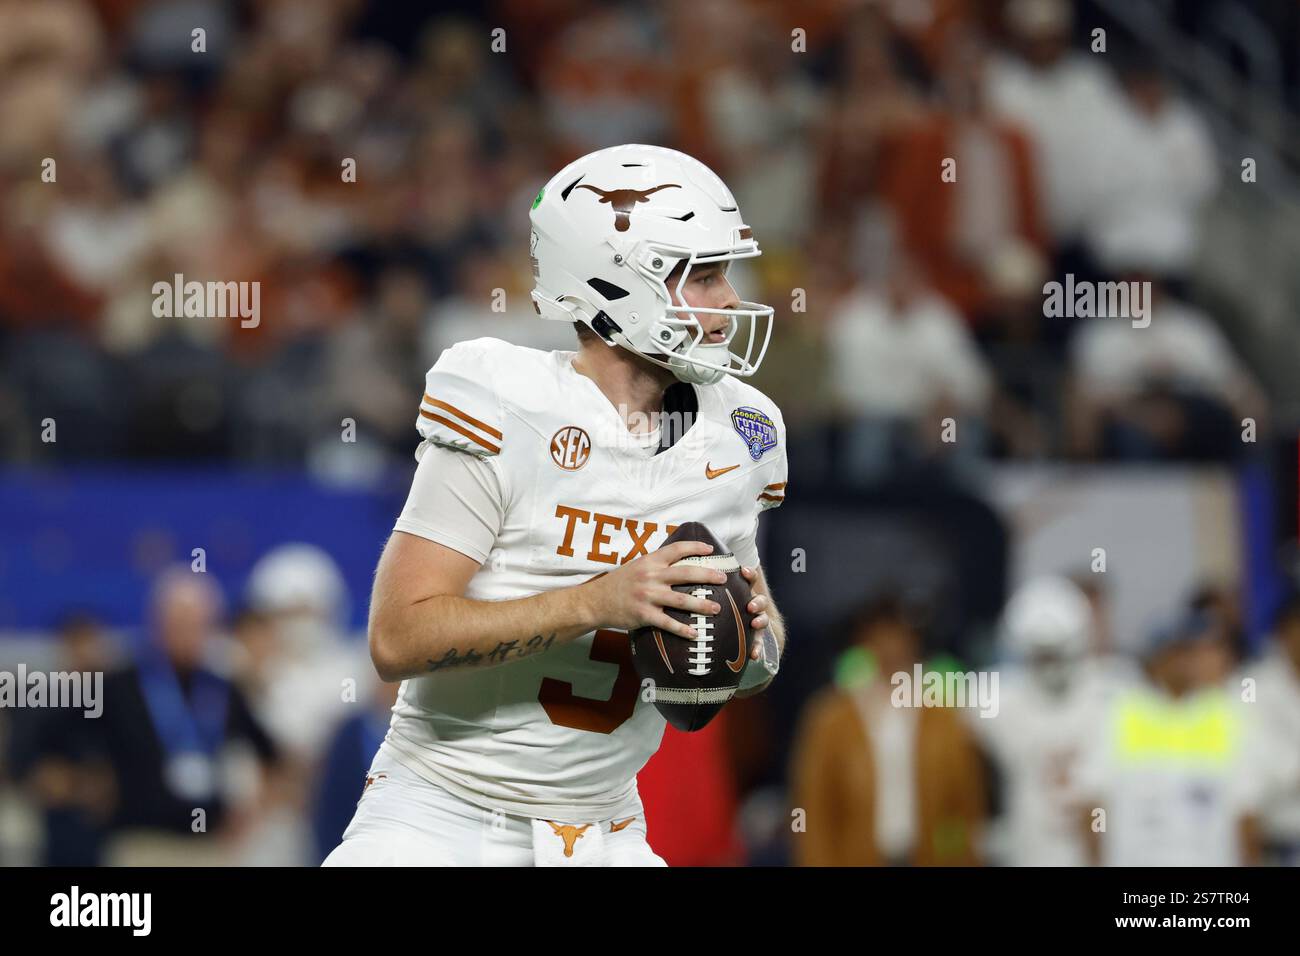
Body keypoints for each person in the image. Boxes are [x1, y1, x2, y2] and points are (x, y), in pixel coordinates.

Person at [325, 144, 788, 866]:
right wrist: (595, 602)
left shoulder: (743, 433)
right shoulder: (507, 400)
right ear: (613, 280)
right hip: (443, 814)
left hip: (606, 831)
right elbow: (396, 639)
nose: (730, 299)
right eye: (702, 275)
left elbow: (747, 642)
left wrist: (752, 645)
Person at [790, 594, 984, 866]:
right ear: (864, 641)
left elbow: (962, 805)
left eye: (899, 636)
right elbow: (815, 808)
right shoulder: (831, 719)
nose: (890, 647)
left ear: (914, 641)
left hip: (925, 855)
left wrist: (960, 857)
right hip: (857, 857)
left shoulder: (943, 717)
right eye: (880, 636)